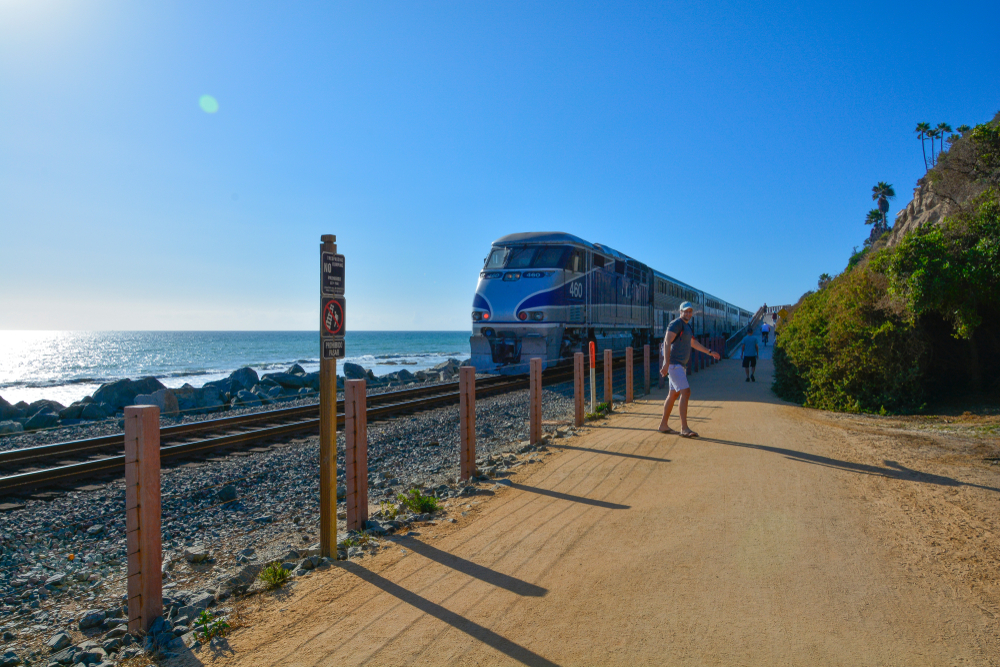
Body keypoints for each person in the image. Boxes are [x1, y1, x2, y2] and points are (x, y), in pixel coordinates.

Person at [658, 302, 721, 438]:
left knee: (673, 394)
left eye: (690, 311)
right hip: (675, 364)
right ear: (680, 312)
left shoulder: (687, 326)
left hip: (680, 365)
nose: (688, 314)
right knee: (686, 392)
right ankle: (684, 428)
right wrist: (666, 362)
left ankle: (663, 425)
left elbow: (693, 343)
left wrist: (709, 352)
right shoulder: (676, 324)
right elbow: (667, 341)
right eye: (685, 311)